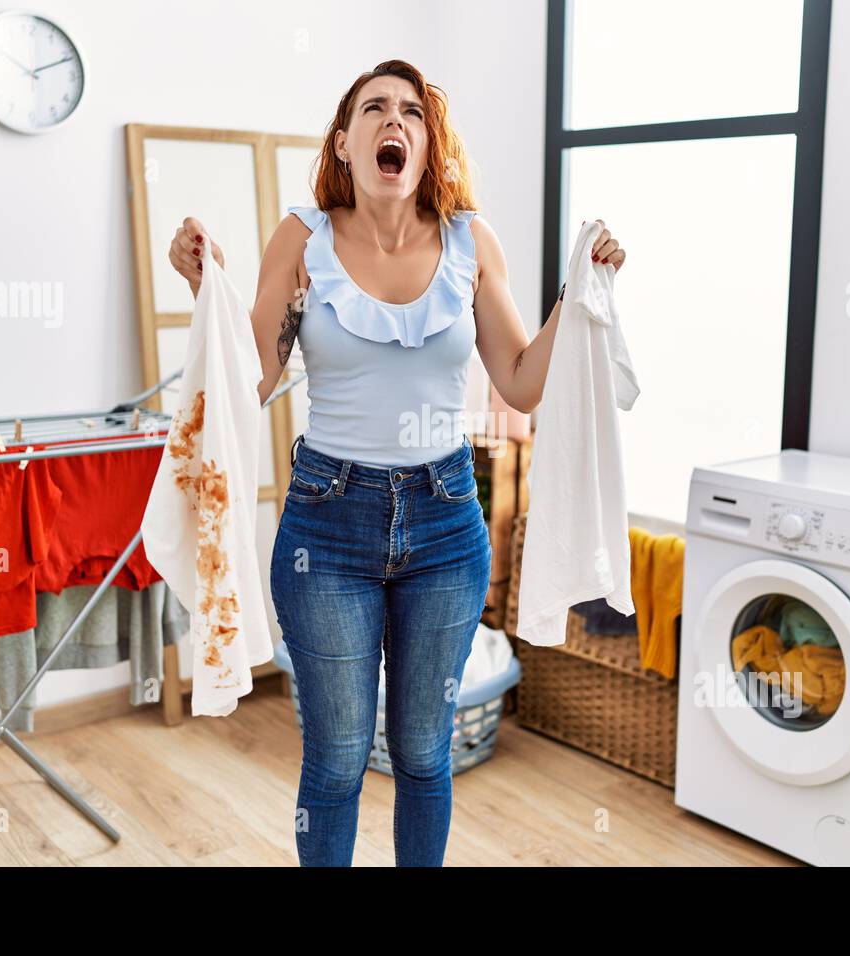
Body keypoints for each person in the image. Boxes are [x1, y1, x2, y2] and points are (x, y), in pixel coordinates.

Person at [168, 59, 625, 866]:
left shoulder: (470, 243)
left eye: (411, 112)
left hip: (446, 523)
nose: (394, 122)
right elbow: (253, 378)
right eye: (374, 109)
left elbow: (519, 383)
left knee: (422, 755)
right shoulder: (301, 241)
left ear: (426, 142)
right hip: (326, 526)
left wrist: (577, 296)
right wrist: (208, 287)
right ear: (345, 144)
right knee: (339, 760)